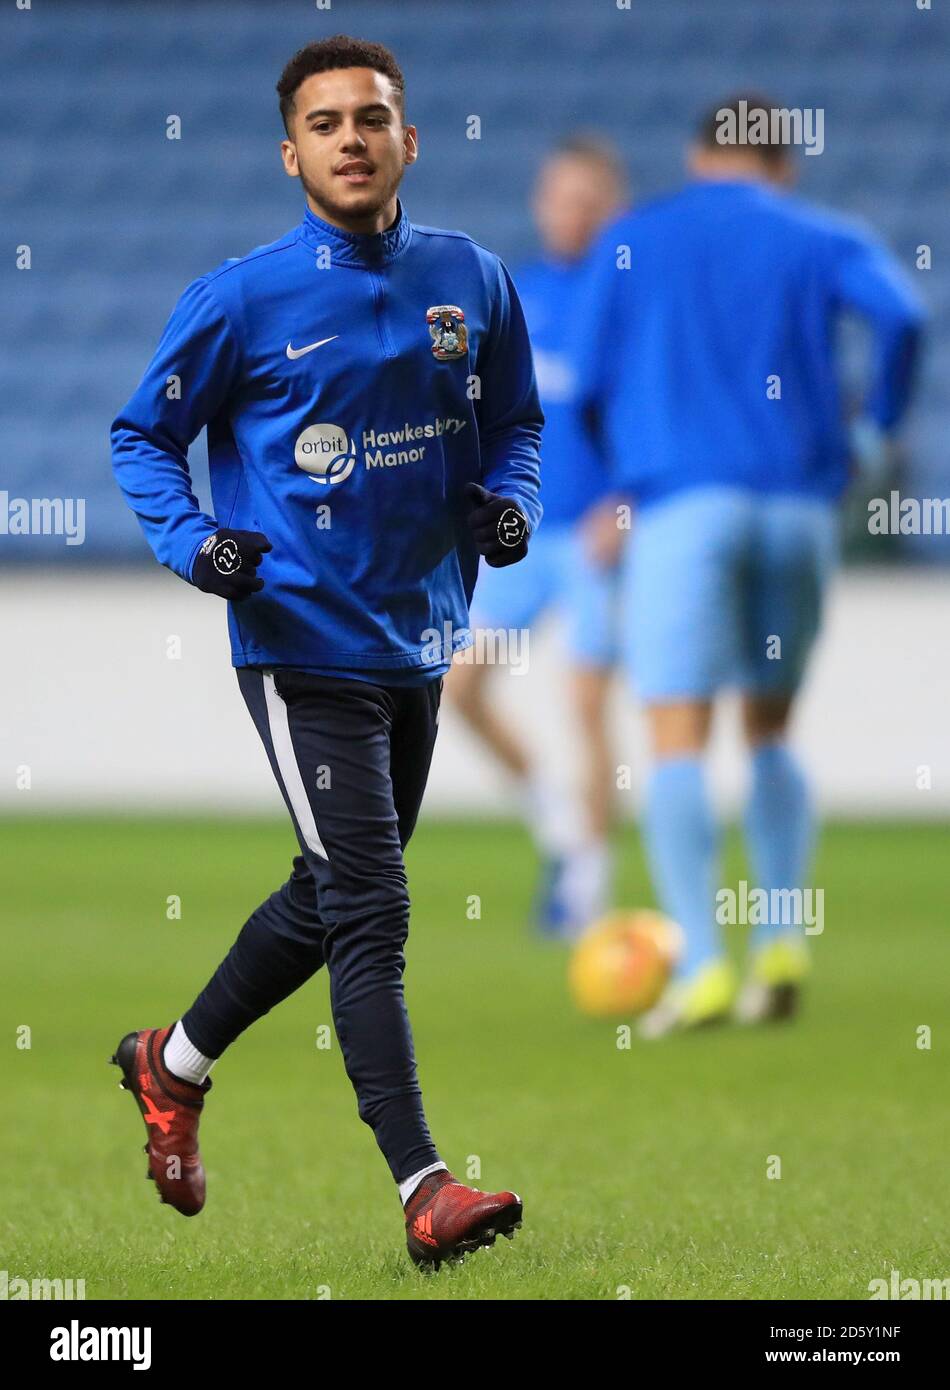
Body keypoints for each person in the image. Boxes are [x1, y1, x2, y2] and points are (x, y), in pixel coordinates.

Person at [110, 34, 542, 1268]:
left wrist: (510, 504)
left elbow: (514, 422)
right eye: (325, 123)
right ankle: (425, 1189)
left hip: (417, 636)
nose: (351, 138)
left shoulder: (472, 278)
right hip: (299, 645)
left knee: (326, 887)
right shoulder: (241, 297)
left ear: (409, 138)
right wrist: (197, 545)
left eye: (373, 117)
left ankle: (169, 1062)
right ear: (289, 152)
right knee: (373, 906)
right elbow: (143, 436)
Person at [573, 93, 925, 1035]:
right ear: (785, 162)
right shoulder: (820, 233)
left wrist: (619, 481)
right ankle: (780, 940)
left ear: (696, 157)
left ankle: (704, 963)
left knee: (679, 735)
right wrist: (875, 434)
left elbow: (588, 386)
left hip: (684, 503)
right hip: (797, 507)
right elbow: (903, 315)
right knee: (770, 728)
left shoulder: (635, 237)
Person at [448, 136, 627, 937]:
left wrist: (627, 506)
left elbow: (656, 414)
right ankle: (561, 827)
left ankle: (591, 877)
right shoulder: (513, 294)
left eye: (588, 198)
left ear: (613, 206)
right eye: (560, 196)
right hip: (522, 531)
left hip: (598, 531)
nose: (572, 211)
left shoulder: (629, 294)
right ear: (539, 202)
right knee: (460, 687)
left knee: (587, 701)